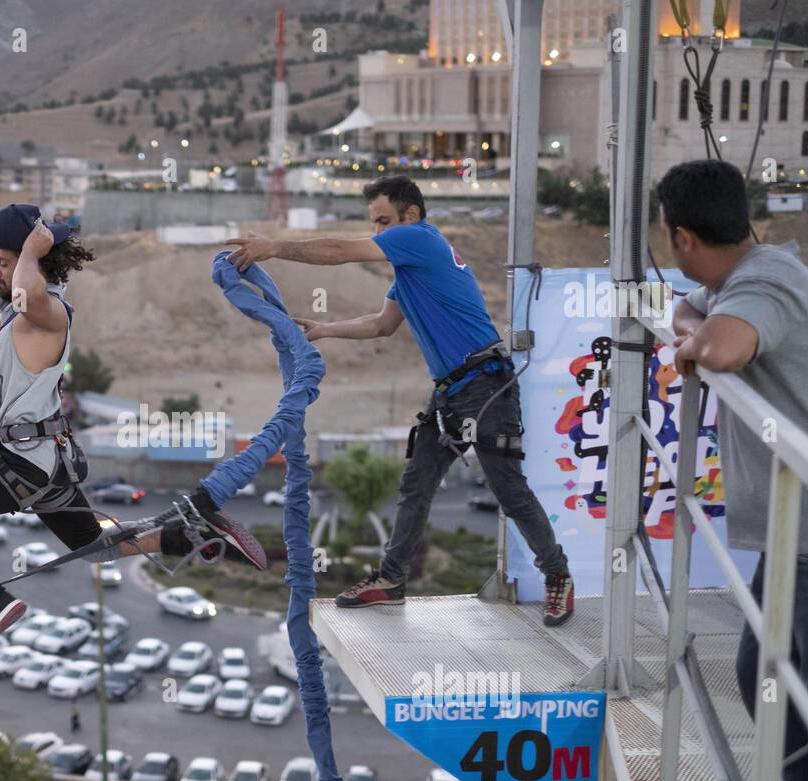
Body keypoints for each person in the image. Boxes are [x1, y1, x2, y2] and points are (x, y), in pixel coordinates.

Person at [0, 203, 266, 659]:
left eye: (5, 262)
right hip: (43, 461)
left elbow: (26, 287)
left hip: (21, 463)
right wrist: (12, 235)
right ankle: (190, 531)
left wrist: (29, 250)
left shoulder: (47, 313)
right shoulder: (9, 304)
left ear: (31, 263)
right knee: (95, 549)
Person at [225, 175, 574, 625]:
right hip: (451, 391)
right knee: (416, 486)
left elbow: (339, 251)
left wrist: (275, 247)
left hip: (485, 386)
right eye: (374, 223)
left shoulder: (419, 239)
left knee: (509, 491)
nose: (378, 232)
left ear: (411, 214)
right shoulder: (410, 270)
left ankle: (557, 575)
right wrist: (324, 329)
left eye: (383, 221)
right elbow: (382, 325)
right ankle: (391, 580)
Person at [660, 158, 808, 781]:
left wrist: (695, 342)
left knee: (799, 694)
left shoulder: (767, 279)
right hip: (796, 535)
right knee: (767, 676)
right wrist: (690, 327)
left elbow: (722, 349)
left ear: (682, 236)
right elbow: (686, 309)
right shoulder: (744, 278)